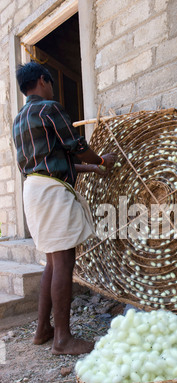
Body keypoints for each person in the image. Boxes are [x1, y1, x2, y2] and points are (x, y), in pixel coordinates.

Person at [12, 61, 117, 355]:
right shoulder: (49, 109)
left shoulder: (19, 119)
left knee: (52, 262)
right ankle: (63, 339)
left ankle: (43, 330)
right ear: (44, 80)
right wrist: (101, 161)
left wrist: (90, 170)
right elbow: (76, 146)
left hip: (34, 189)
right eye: (51, 82)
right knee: (64, 262)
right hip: (52, 193)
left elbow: (52, 162)